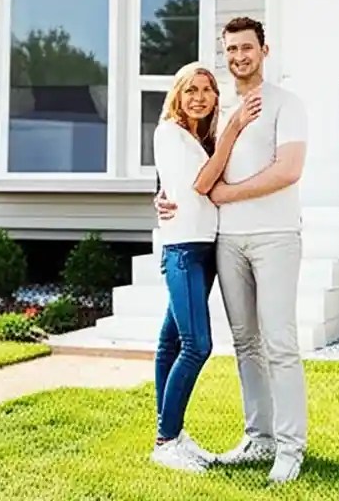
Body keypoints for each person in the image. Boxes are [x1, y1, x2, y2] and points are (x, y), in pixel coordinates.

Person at [155, 16, 309, 485]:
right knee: (245, 344)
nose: (240, 56)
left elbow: (288, 170)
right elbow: (190, 168)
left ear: (264, 50)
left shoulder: (286, 103)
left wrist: (225, 194)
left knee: (279, 342)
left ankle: (290, 447)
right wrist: (162, 195)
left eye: (247, 47)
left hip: (276, 235)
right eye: (232, 49)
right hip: (224, 241)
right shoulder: (218, 111)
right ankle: (258, 437)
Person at [150, 60, 261, 474]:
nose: (199, 98)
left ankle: (171, 434)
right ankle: (165, 441)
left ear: (216, 96)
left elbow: (189, 186)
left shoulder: (202, 140)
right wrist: (233, 129)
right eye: (190, 90)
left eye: (207, 90)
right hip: (182, 250)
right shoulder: (169, 132)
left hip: (204, 248)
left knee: (170, 343)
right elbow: (200, 184)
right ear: (177, 96)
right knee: (197, 345)